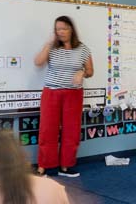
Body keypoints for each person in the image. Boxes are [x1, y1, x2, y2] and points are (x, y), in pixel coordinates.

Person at [34, 15, 93, 177]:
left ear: (71, 29)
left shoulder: (83, 49)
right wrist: (48, 44)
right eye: (57, 29)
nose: (60, 32)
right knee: (47, 130)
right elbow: (38, 62)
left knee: (71, 130)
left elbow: (90, 71)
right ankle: (43, 166)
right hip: (51, 92)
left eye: (64, 28)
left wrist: (82, 72)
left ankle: (66, 166)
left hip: (73, 94)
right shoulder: (52, 47)